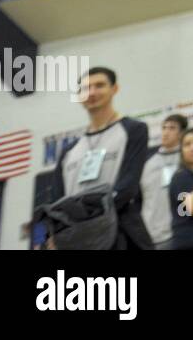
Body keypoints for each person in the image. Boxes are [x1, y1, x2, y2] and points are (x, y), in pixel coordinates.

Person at [54, 66, 154, 249]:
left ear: (114, 89)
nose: (92, 92)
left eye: (99, 85)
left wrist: (87, 218)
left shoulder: (134, 130)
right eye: (86, 88)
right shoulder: (68, 151)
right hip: (78, 240)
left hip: (120, 234)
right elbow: (58, 202)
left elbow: (127, 187)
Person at [141, 113, 186, 250]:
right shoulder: (148, 165)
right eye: (164, 128)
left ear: (181, 133)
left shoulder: (186, 162)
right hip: (152, 237)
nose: (166, 132)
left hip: (179, 235)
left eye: (172, 128)